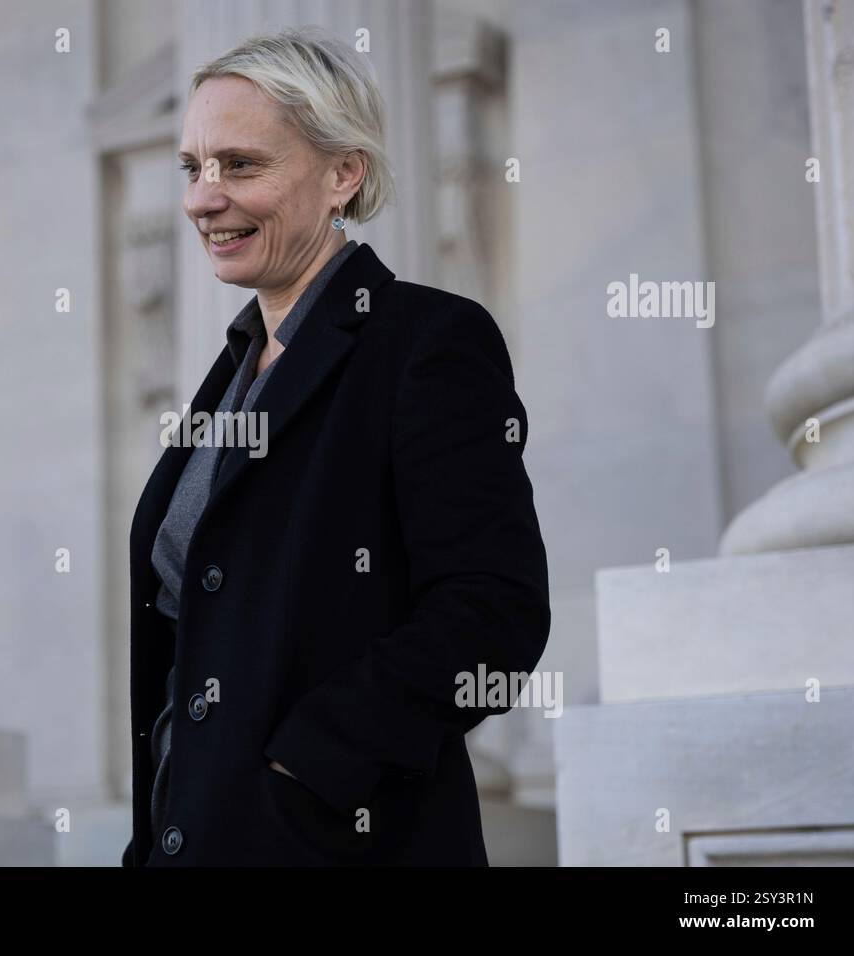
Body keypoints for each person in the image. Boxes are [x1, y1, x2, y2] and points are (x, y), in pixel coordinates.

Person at [121, 26, 550, 866]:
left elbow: (495, 610)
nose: (203, 198)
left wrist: (305, 769)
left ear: (342, 173)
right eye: (193, 168)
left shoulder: (428, 341)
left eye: (240, 165)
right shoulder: (234, 373)